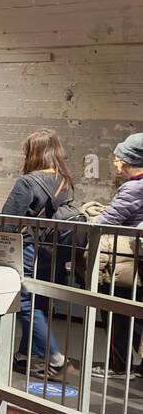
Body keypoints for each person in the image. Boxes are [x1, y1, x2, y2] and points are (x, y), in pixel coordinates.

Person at [0, 128, 74, 374]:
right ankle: (25, 354)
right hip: (53, 251)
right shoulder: (65, 182)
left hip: (28, 248)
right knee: (38, 302)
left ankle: (54, 356)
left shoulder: (28, 181)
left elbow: (8, 221)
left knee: (24, 302)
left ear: (34, 153)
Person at [89, 133, 143, 377]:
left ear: (130, 160)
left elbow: (106, 222)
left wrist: (90, 216)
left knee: (116, 314)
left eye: (119, 158)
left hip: (124, 263)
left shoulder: (133, 188)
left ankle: (119, 365)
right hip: (137, 262)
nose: (115, 162)